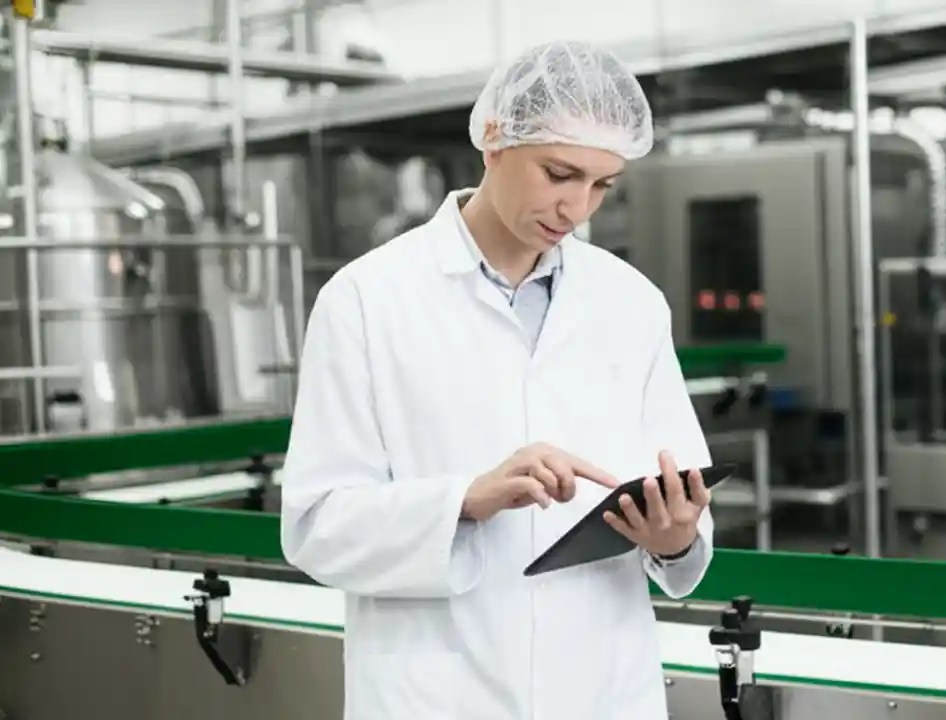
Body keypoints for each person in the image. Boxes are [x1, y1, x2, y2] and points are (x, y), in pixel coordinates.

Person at [280, 40, 715, 720]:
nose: (577, 208)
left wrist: (676, 535)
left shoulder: (631, 304)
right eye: (559, 173)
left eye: (602, 185)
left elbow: (683, 507)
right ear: (492, 137)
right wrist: (466, 500)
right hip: (437, 696)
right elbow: (316, 528)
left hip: (601, 690)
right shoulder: (367, 299)